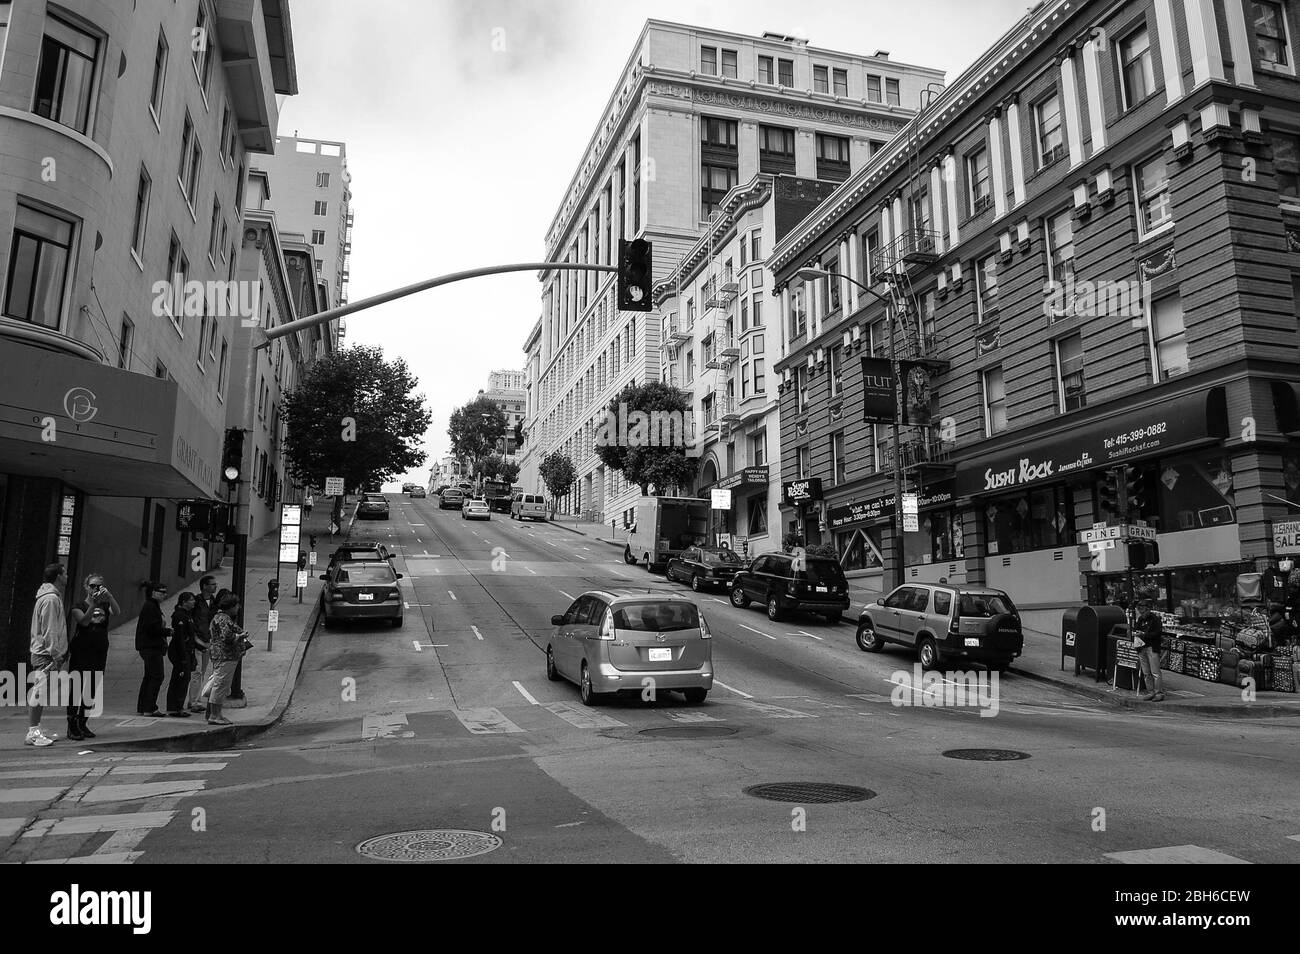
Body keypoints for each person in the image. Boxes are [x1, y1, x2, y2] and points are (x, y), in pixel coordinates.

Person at [67, 572, 121, 741]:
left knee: (91, 688)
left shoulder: (105, 605)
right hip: (81, 650)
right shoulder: (79, 605)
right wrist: (93, 604)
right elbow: (83, 621)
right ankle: (72, 724)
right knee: (77, 687)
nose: (95, 588)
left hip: (99, 651)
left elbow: (117, 612)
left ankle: (83, 722)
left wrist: (109, 596)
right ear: (86, 587)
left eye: (98, 586)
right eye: (92, 585)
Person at [26, 563, 68, 747]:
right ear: (58, 576)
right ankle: (33, 732)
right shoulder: (51, 599)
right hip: (46, 655)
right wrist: (56, 654)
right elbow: (49, 629)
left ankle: (36, 729)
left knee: (40, 692)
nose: (67, 576)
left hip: (44, 653)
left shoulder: (49, 597)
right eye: (65, 573)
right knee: (39, 692)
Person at [206, 593, 247, 725]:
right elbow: (227, 637)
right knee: (220, 685)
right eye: (236, 606)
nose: (238, 608)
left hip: (225, 655)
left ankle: (217, 714)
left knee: (221, 685)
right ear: (231, 607)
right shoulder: (223, 619)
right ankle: (214, 715)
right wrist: (240, 636)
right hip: (225, 656)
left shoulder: (221, 617)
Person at [135, 581, 170, 717]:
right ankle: (149, 707)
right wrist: (167, 631)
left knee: (149, 676)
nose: (164, 595)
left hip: (149, 646)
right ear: (154, 593)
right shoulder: (151, 606)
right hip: (151, 647)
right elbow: (152, 628)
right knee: (157, 676)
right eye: (161, 592)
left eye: (165, 592)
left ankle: (143, 706)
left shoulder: (153, 606)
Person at [187, 575, 218, 712]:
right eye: (212, 584)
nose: (215, 586)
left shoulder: (213, 601)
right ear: (204, 586)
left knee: (202, 672)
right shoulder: (197, 602)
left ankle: (196, 700)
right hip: (197, 641)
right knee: (197, 672)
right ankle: (194, 701)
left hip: (208, 640)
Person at [166, 593, 197, 717]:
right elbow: (180, 638)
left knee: (183, 679)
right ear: (183, 602)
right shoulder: (180, 616)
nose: (193, 602)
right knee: (181, 679)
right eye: (191, 600)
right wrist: (183, 658)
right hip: (180, 652)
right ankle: (175, 708)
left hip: (187, 651)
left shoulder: (187, 615)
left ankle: (177, 707)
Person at [1133, 599, 1165, 702]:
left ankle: (1159, 693)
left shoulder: (1155, 619)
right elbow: (1135, 629)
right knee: (1146, 672)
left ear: (1148, 610)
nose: (1142, 614)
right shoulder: (1140, 619)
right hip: (1142, 647)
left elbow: (1157, 633)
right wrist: (1135, 633)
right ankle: (1150, 691)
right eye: (1140, 611)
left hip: (1151, 647)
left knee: (1155, 672)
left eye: (1143, 611)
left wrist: (1143, 634)